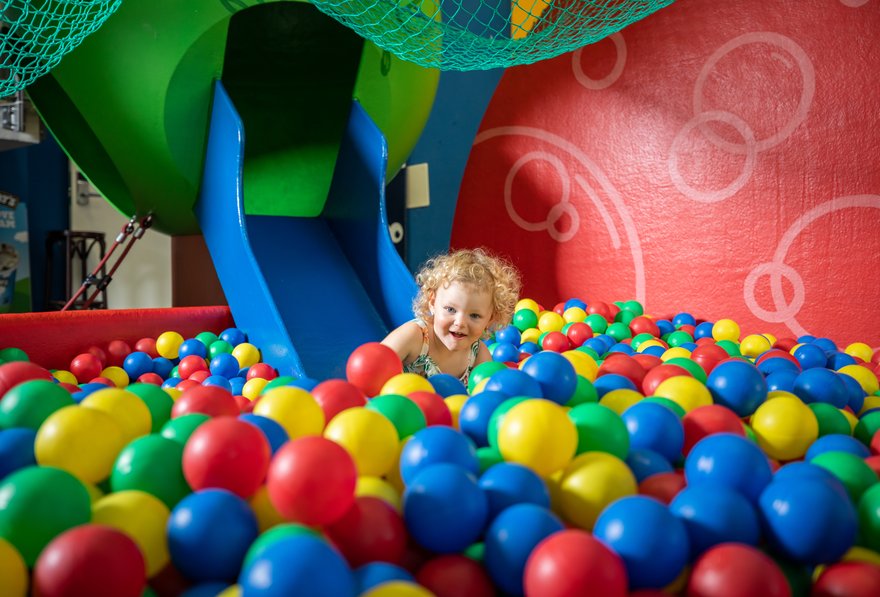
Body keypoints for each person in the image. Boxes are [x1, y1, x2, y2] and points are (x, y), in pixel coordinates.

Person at [382, 248, 521, 385]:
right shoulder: (414, 336)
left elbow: (488, 397)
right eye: (450, 309)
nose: (460, 323)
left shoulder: (478, 356)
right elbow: (373, 363)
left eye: (474, 315)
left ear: (490, 318)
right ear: (432, 302)